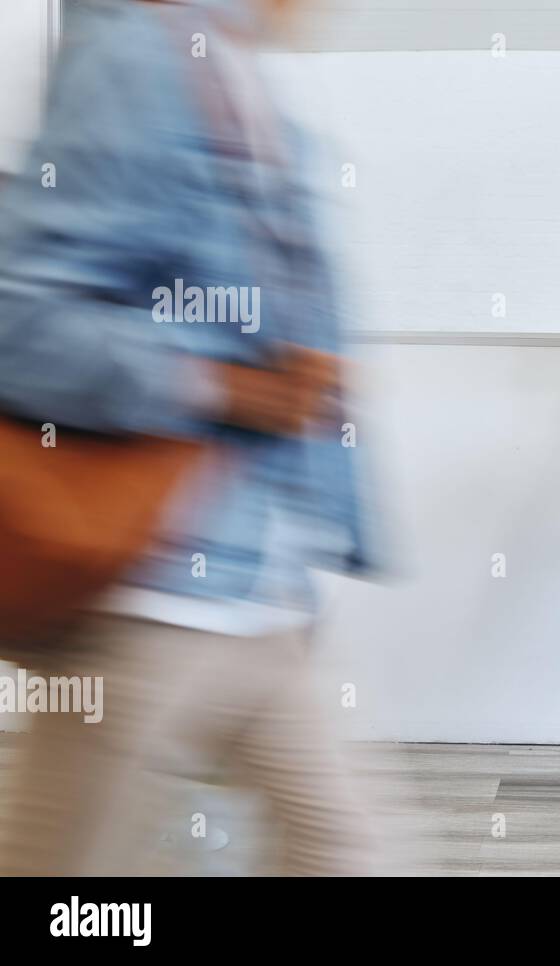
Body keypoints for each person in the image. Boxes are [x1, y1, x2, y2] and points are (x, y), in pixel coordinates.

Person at [0, 0, 380, 874]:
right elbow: (24, 320)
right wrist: (223, 384)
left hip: (259, 585)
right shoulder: (136, 56)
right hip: (150, 587)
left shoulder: (246, 85)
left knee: (347, 851)